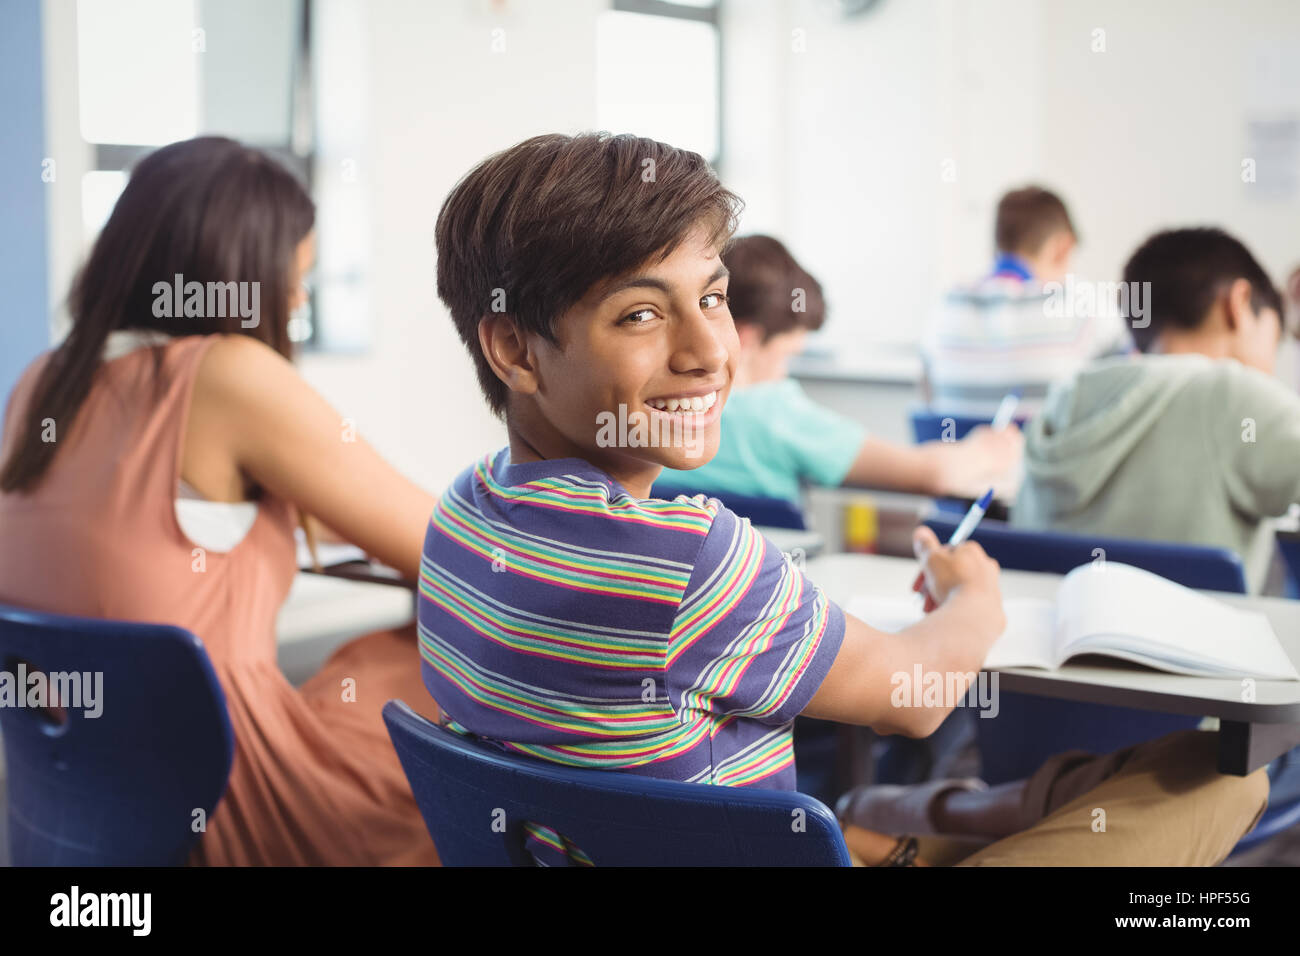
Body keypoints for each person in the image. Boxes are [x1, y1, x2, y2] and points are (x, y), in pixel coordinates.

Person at [417, 131, 1267, 866]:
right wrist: (977, 597)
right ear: (514, 350)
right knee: (1220, 776)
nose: (711, 351)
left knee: (935, 805)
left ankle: (965, 819)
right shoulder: (688, 557)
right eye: (642, 315)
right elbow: (919, 697)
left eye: (711, 297)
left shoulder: (459, 517)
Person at [0, 137, 440, 865]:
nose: (298, 304)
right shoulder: (227, 372)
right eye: (293, 280)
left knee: (357, 670)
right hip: (233, 794)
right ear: (238, 275)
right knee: (440, 665)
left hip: (89, 795)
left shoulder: (42, 380)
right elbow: (447, 548)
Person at [1012, 227, 1300, 595]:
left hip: (1057, 646)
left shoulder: (1069, 395)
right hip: (1197, 646)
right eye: (1275, 339)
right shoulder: (1233, 394)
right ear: (1239, 303)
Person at [657, 235, 1022, 506]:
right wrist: (987, 449)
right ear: (748, 339)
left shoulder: (656, 418)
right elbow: (934, 474)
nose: (784, 374)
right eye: (784, 355)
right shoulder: (775, 413)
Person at [922, 186, 1131, 417]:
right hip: (1044, 452)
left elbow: (929, 397)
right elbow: (1127, 393)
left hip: (955, 451)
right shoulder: (1084, 305)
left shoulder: (946, 308)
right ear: (1063, 248)